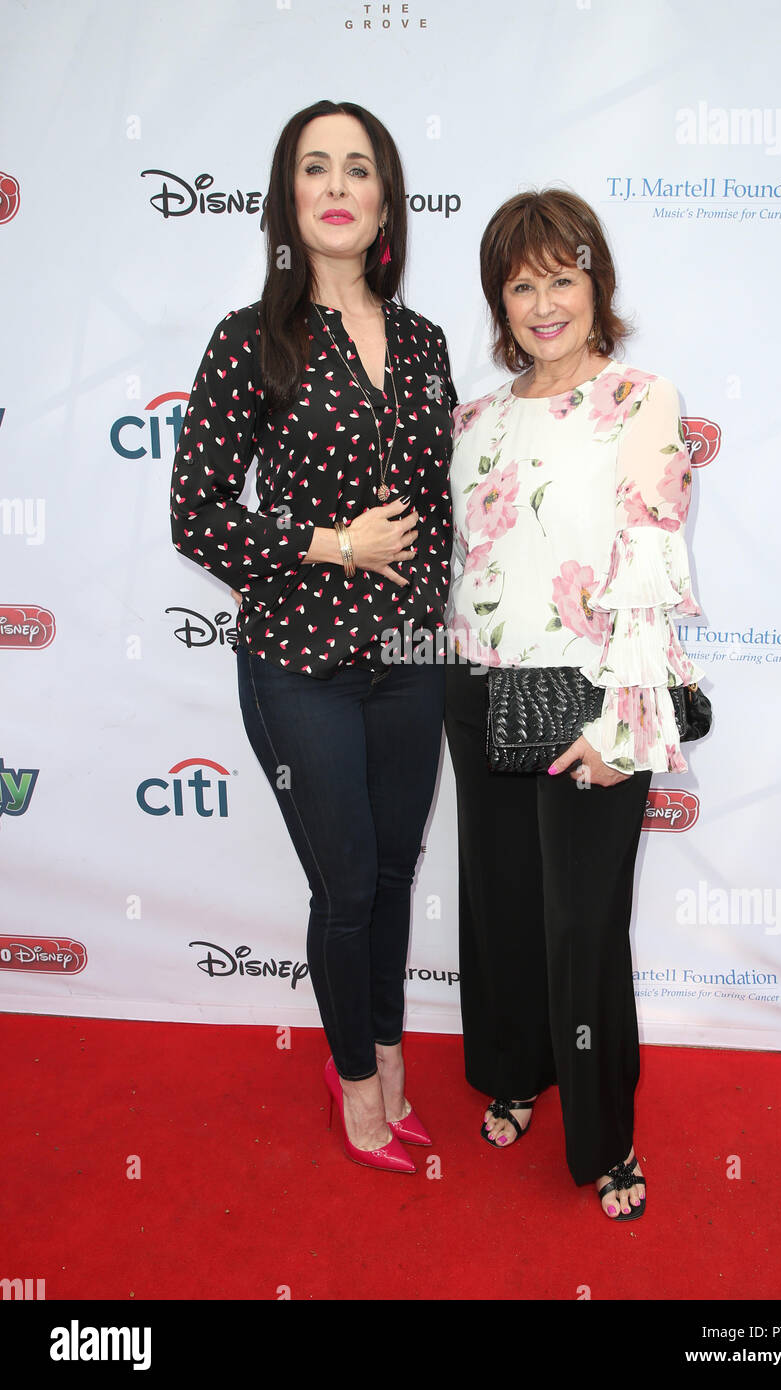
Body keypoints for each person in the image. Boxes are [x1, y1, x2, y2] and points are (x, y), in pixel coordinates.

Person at [170, 100, 457, 1174]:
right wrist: (334, 544)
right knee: (343, 888)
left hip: (409, 664)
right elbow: (195, 516)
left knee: (392, 875)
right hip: (299, 665)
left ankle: (386, 1051)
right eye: (313, 168)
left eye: (359, 167)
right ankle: (353, 1086)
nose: (337, 185)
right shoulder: (253, 340)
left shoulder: (426, 341)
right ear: (289, 199)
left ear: (386, 199)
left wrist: (429, 605)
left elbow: (437, 502)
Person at [443, 188, 704, 1219]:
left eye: (562, 276)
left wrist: (625, 724)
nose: (543, 302)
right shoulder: (475, 417)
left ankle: (607, 1139)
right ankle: (514, 1073)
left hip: (595, 695)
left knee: (583, 927)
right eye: (520, 283)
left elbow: (651, 557)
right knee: (500, 902)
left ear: (598, 283)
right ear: (498, 300)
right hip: (476, 685)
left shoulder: (643, 399)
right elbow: (467, 561)